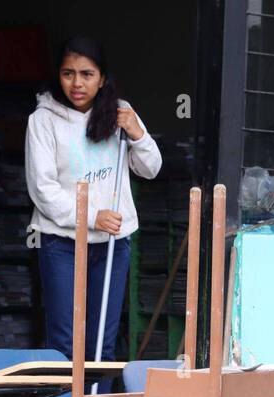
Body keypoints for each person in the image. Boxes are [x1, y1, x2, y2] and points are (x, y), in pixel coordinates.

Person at [25, 36, 162, 362]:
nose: (76, 83)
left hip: (112, 244)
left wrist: (137, 134)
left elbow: (151, 168)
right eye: (68, 73)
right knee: (65, 342)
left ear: (102, 79)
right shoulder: (43, 120)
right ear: (58, 76)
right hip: (62, 243)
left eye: (86, 74)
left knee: (102, 342)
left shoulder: (121, 114)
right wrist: (90, 216)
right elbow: (42, 189)